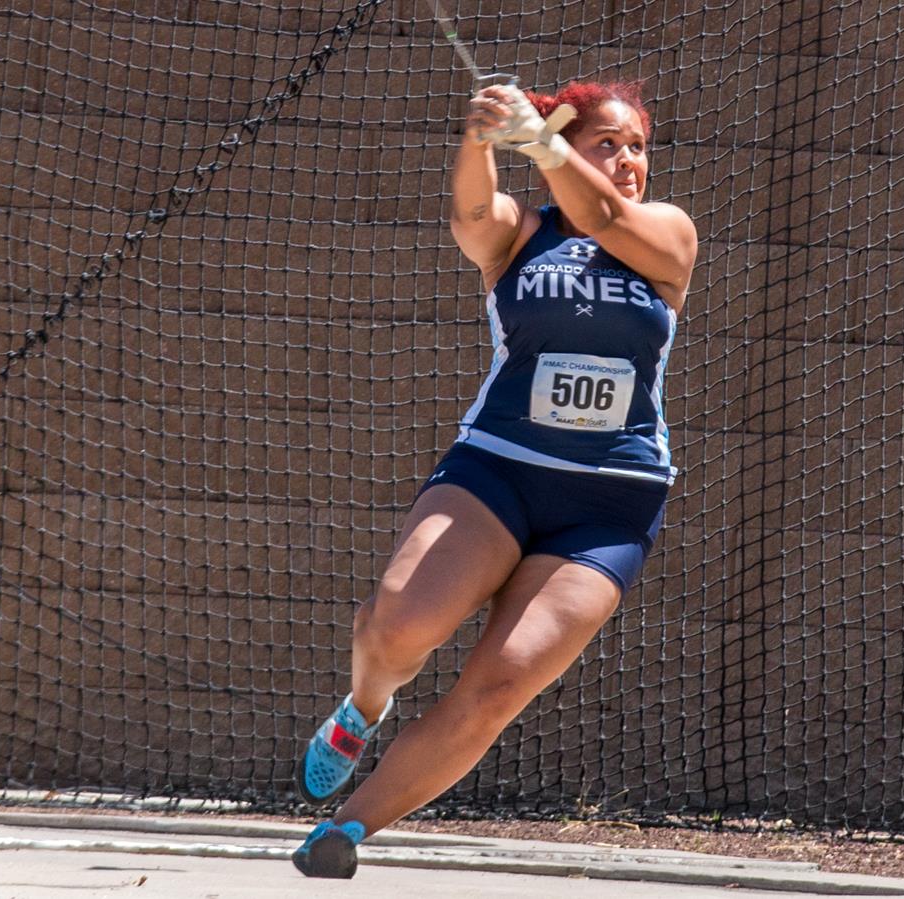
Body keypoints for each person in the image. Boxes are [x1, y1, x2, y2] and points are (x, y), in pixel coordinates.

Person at [290, 79, 699, 879]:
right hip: (499, 471)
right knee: (398, 626)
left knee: (498, 686)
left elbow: (608, 219)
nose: (626, 160)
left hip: (609, 504)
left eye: (638, 146)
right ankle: (363, 707)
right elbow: (474, 216)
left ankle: (346, 829)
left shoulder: (668, 235)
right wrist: (481, 138)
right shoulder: (525, 232)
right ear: (568, 148)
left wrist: (544, 146)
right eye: (605, 143)